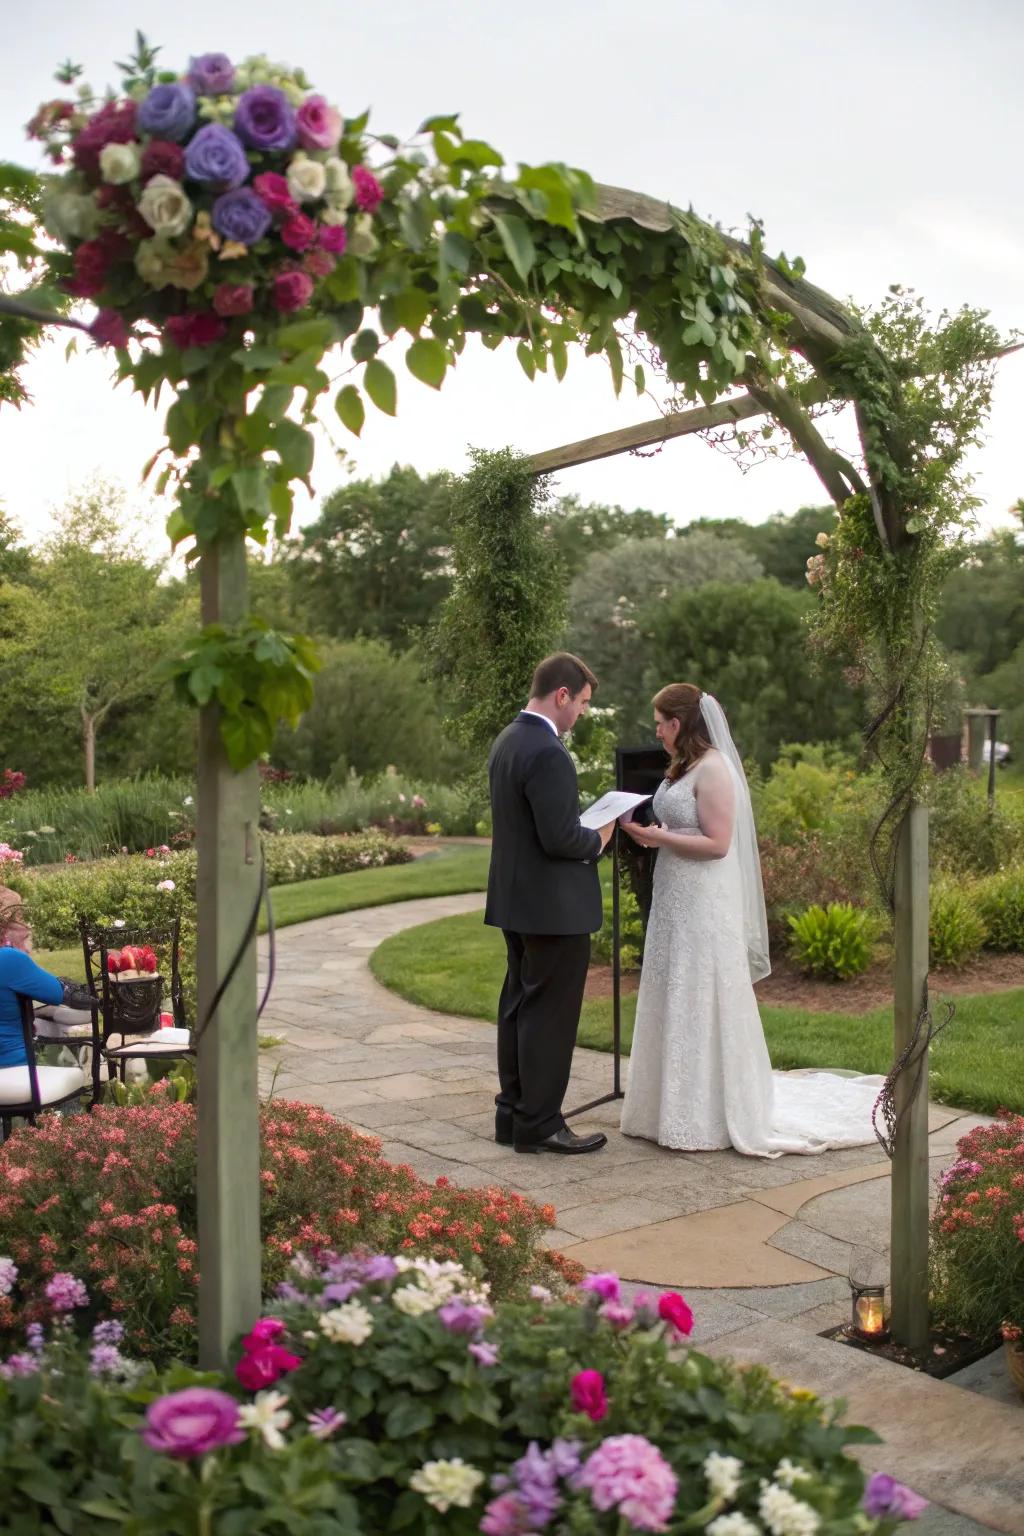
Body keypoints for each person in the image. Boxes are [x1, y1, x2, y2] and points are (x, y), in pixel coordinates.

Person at [619, 683, 881, 1158]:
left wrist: (661, 839)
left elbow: (719, 844)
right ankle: (663, 1108)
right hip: (676, 895)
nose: (656, 731)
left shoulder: (714, 769)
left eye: (660, 722)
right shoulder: (684, 767)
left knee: (700, 991)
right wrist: (647, 836)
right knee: (672, 987)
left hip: (702, 900)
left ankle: (707, 1113)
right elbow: (681, 831)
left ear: (678, 724)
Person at [485, 653, 617, 1154]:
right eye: (581, 703)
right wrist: (601, 834)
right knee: (549, 1016)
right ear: (562, 695)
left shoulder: (508, 740)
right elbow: (561, 838)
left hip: (517, 902)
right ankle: (540, 1123)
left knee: (518, 1006)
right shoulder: (546, 749)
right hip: (553, 910)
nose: (581, 713)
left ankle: (512, 1115)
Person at [0, 947, 96, 1068]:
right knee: (76, 1072)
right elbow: (80, 999)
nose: (27, 948)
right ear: (5, 932)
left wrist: (39, 1012)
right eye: (25, 937)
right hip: (16, 1068)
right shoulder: (8, 958)